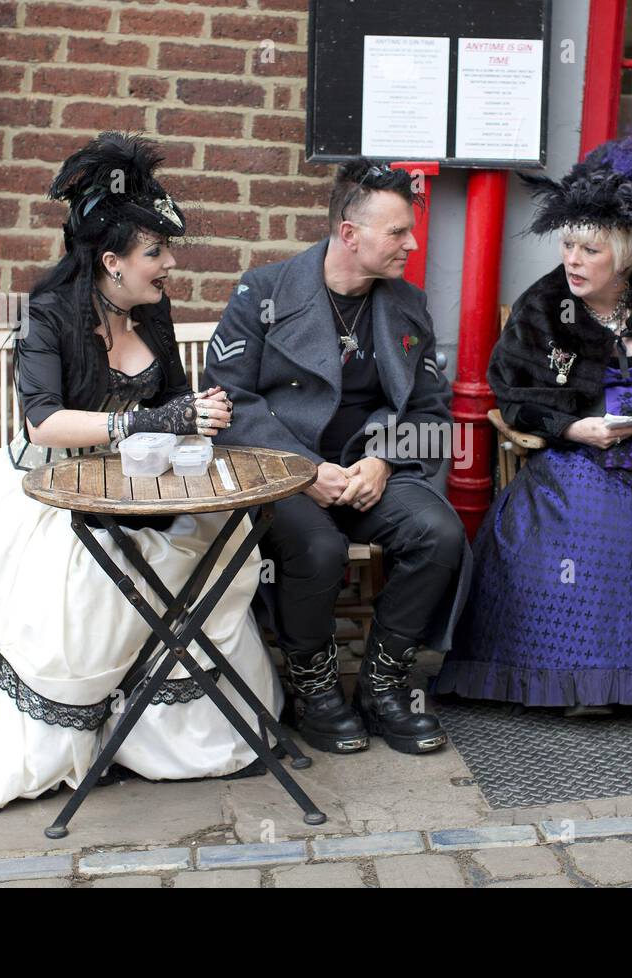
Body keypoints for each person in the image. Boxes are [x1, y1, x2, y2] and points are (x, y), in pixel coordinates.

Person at [0, 132, 283, 827]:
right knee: (84, 584)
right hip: (47, 492)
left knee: (221, 546)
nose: (169, 264)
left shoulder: (153, 313)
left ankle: (162, 735)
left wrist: (198, 415)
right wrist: (143, 424)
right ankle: (70, 741)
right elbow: (42, 424)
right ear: (112, 262)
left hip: (144, 486)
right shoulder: (47, 318)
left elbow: (175, 401)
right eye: (155, 252)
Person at [434, 120, 632, 711]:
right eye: (567, 246)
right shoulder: (545, 305)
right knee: (582, 519)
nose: (574, 261)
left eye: (590, 250)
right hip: (581, 446)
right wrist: (571, 427)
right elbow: (512, 390)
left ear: (624, 255)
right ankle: (578, 682)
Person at [205, 159, 469, 755]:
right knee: (316, 546)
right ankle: (315, 690)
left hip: (368, 473)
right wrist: (303, 470)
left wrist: (381, 459)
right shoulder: (265, 291)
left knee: (438, 533)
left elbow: (430, 410)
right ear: (351, 234)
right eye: (398, 231)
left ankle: (382, 687)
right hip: (282, 477)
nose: (413, 242)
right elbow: (228, 401)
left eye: (410, 230)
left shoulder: (407, 304)